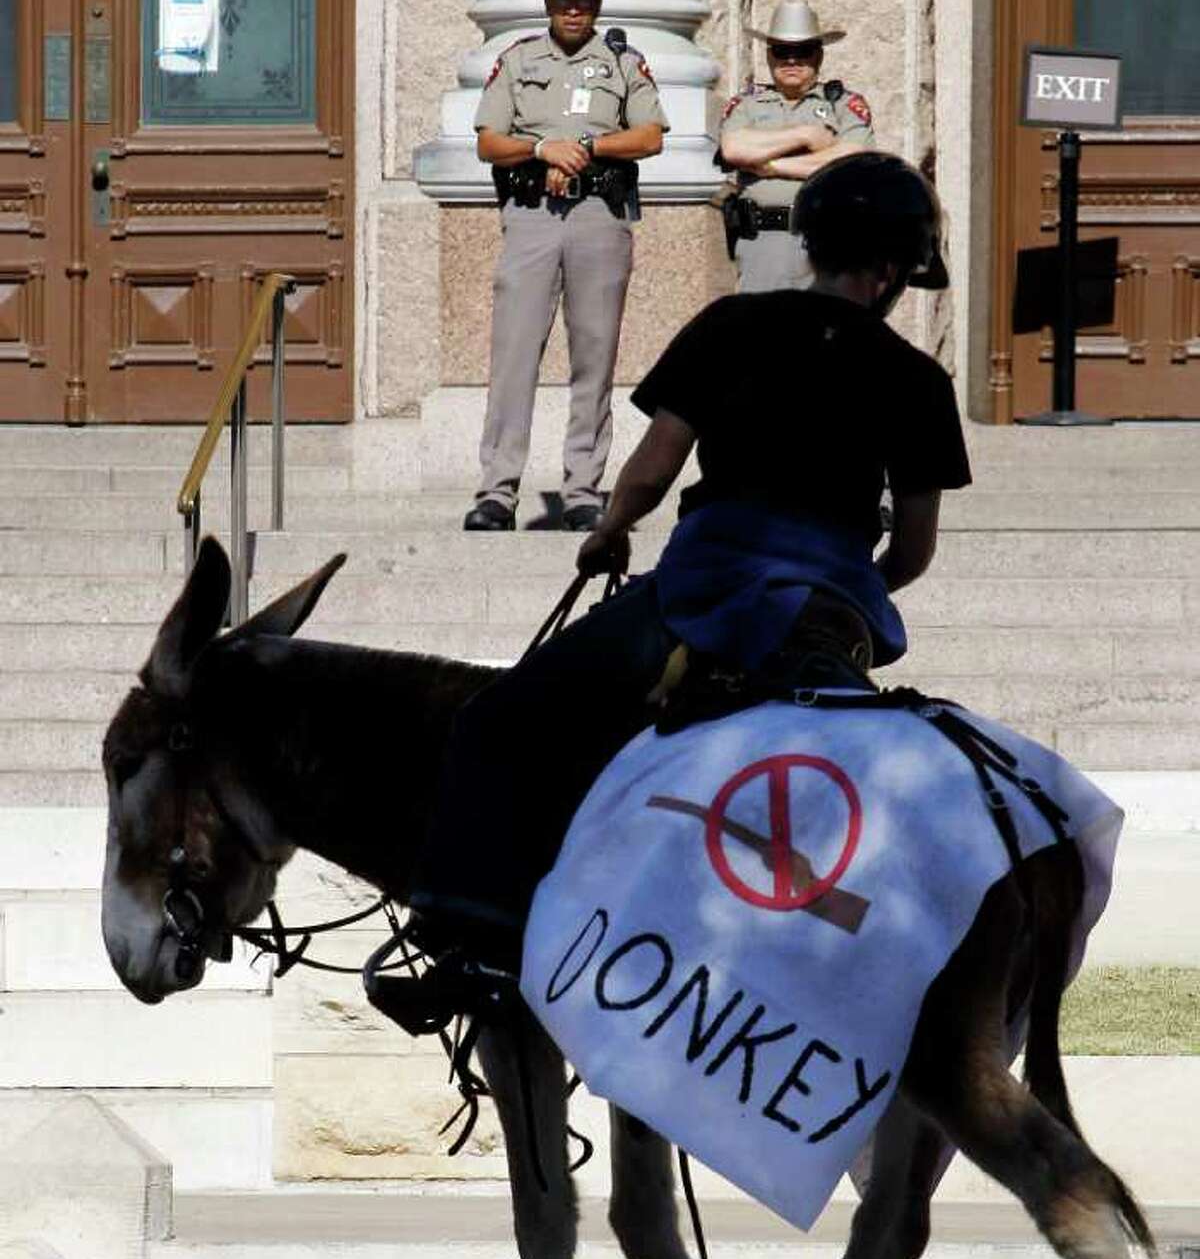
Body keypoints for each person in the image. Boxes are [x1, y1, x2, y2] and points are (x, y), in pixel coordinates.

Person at [372, 153, 970, 1033]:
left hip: (701, 592)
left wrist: (609, 531)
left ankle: (466, 944)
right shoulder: (920, 380)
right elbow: (913, 552)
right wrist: (845, 590)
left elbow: (653, 467)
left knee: (495, 719)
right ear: (891, 271)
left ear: (812, 245)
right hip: (828, 625)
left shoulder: (731, 324)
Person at [464, 0, 669, 534]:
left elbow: (650, 135)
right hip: (531, 214)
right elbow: (487, 142)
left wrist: (582, 145)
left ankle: (583, 488)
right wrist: (539, 149)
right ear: (548, 3)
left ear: (597, 3)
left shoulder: (623, 62)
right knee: (514, 353)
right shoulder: (518, 57)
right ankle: (496, 492)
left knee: (594, 355)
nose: (574, 9)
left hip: (598, 215)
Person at [719, 0, 875, 293]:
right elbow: (734, 150)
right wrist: (806, 136)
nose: (791, 61)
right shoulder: (746, 105)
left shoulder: (842, 104)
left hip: (826, 241)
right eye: (782, 51)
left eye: (802, 52)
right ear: (769, 56)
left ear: (819, 55)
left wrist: (772, 165)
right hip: (763, 243)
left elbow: (852, 161)